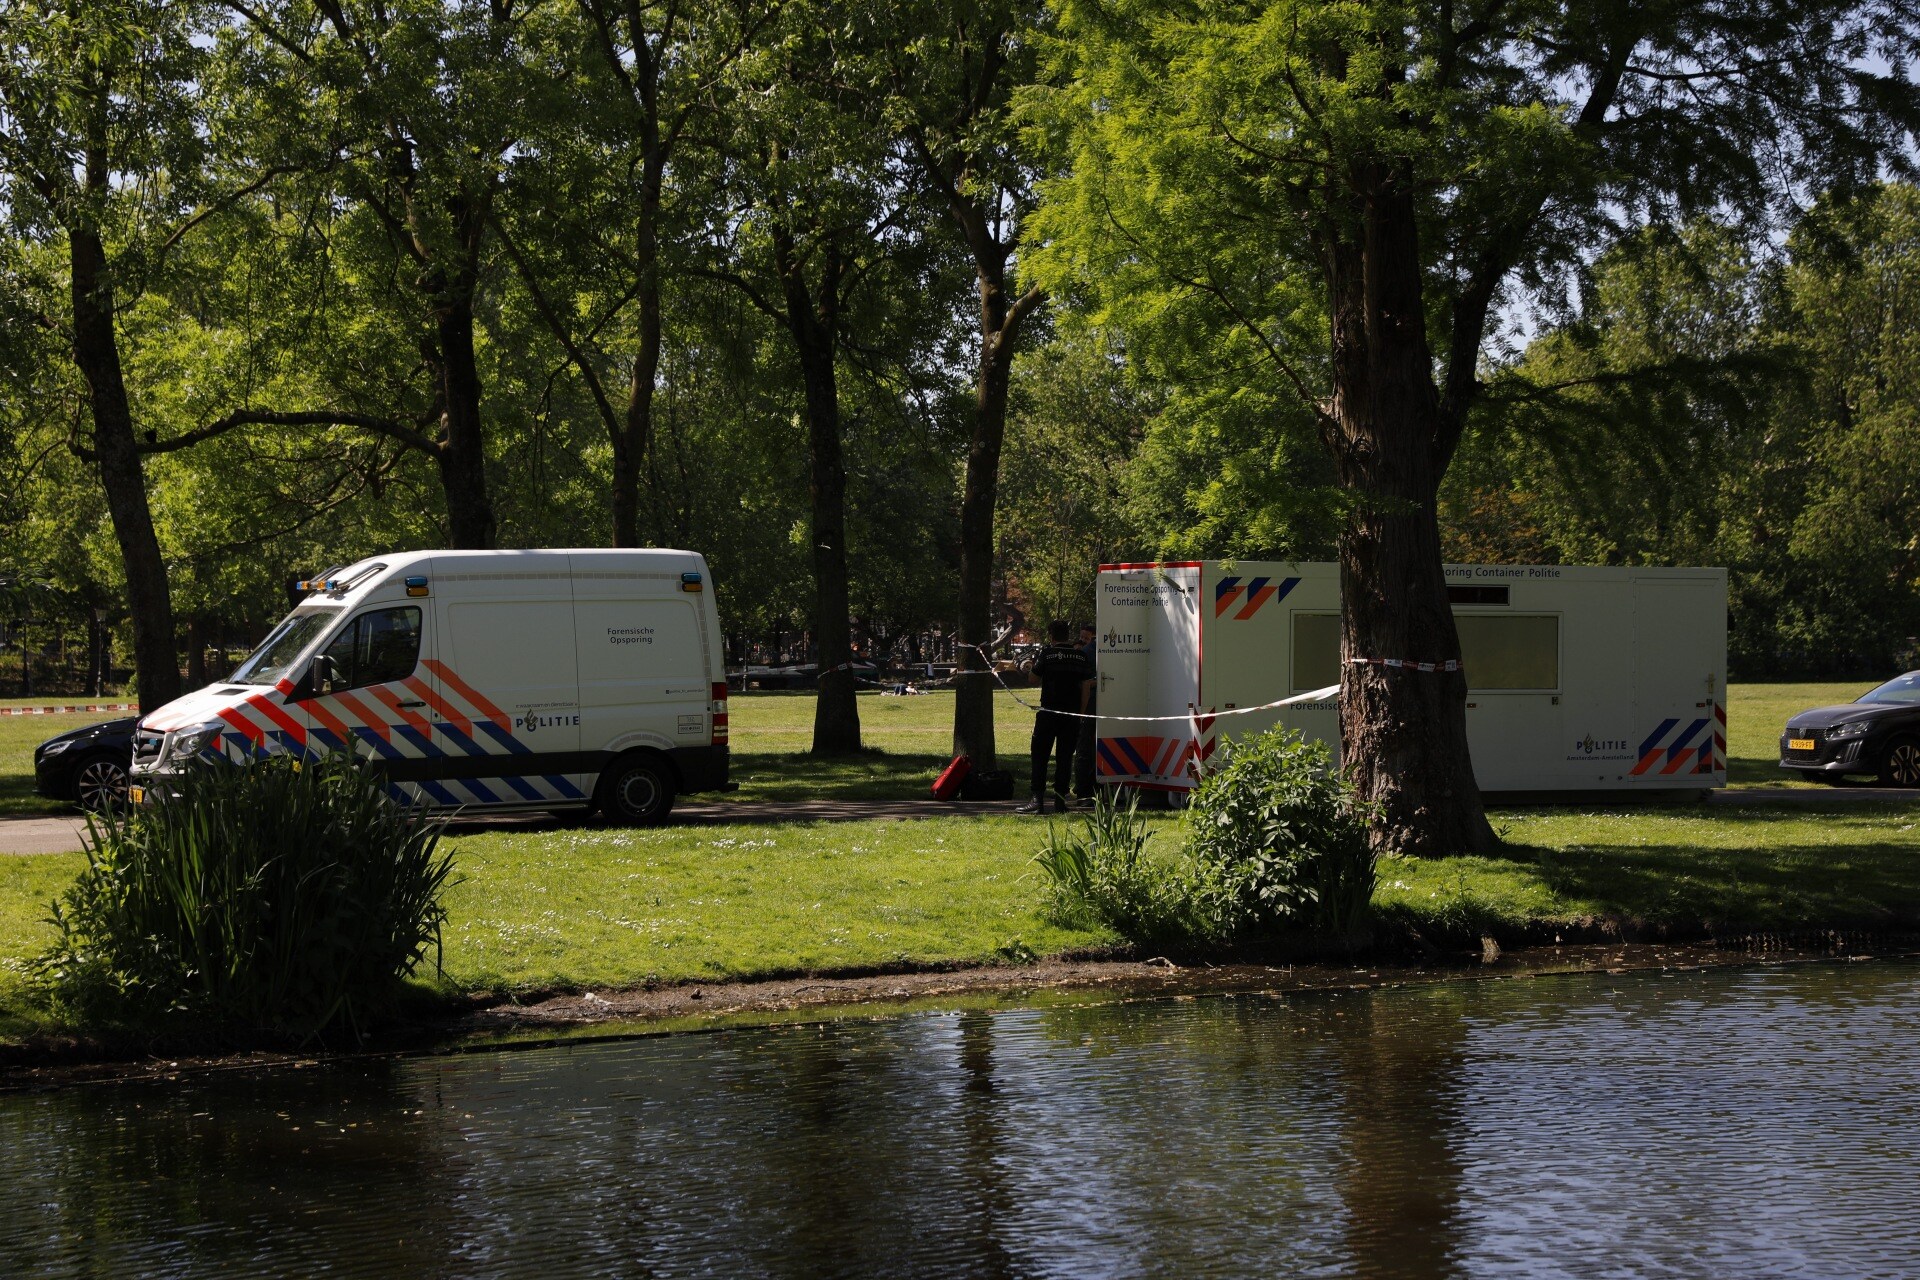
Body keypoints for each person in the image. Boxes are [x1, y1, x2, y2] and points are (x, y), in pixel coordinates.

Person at [1015, 619, 1095, 814]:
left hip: (1049, 713)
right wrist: (1081, 713)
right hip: (1071, 715)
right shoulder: (1080, 656)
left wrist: (1030, 666)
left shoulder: (1047, 655)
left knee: (1040, 756)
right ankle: (1060, 801)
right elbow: (1086, 687)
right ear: (1068, 635)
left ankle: (1037, 800)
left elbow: (1033, 679)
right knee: (1065, 758)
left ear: (1051, 636)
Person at [1072, 621, 1099, 807]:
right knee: (1089, 749)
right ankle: (1091, 789)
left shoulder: (1088, 652)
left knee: (1085, 748)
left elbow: (1084, 684)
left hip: (1090, 707)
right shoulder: (1093, 650)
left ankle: (1083, 791)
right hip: (1099, 706)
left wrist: (1080, 712)